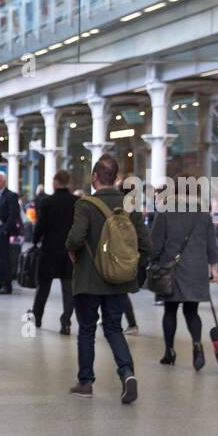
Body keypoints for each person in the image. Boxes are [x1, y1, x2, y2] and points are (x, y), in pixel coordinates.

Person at [65, 154, 149, 403]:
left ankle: (85, 382)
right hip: (118, 281)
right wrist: (129, 266)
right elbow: (146, 244)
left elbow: (75, 238)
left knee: (87, 330)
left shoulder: (85, 205)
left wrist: (71, 250)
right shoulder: (129, 205)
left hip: (89, 280)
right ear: (115, 178)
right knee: (114, 329)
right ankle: (127, 373)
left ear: (94, 177)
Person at [150, 200, 218, 369]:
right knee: (192, 311)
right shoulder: (203, 215)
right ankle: (197, 345)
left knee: (170, 310)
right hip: (196, 268)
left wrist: (152, 261)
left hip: (170, 269)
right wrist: (214, 270)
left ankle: (170, 352)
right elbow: (212, 245)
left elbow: (155, 243)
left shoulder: (165, 212)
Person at [31, 169, 76, 334]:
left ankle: (37, 318)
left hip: (49, 250)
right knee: (68, 289)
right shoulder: (77, 202)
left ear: (56, 182)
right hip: (69, 252)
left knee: (43, 287)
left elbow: (40, 227)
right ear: (68, 182)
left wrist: (35, 242)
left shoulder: (46, 202)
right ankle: (66, 323)